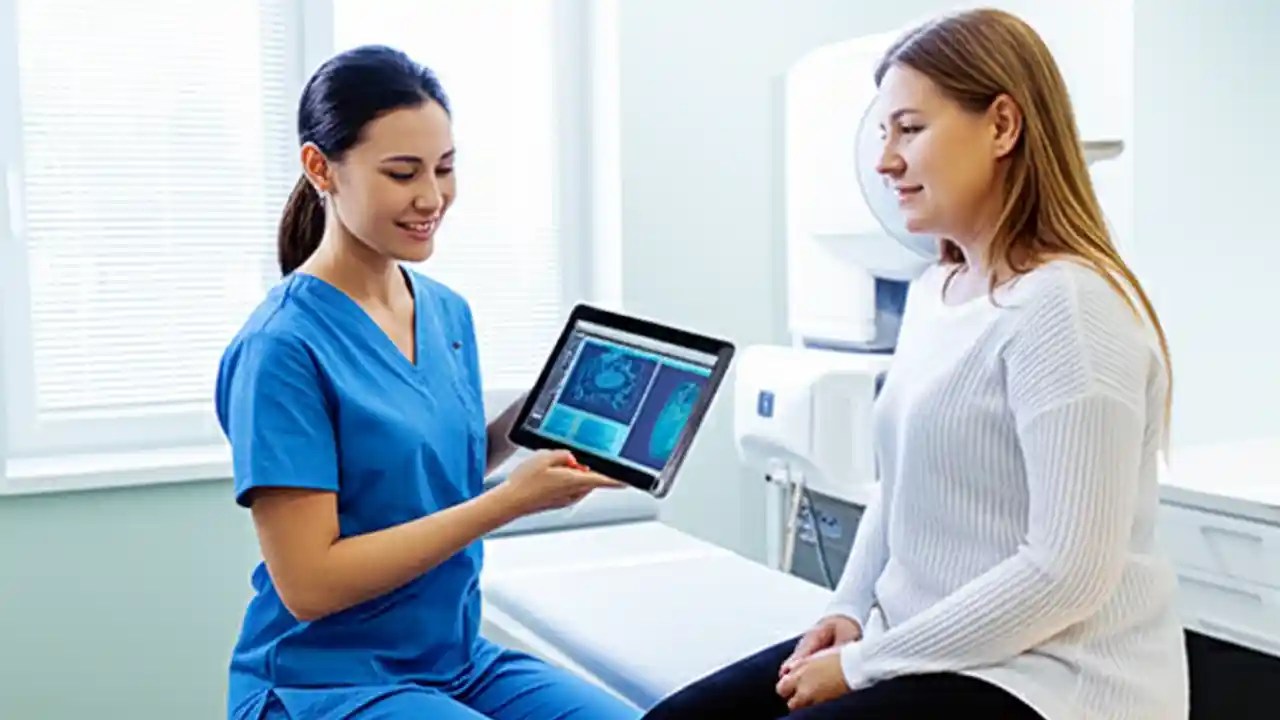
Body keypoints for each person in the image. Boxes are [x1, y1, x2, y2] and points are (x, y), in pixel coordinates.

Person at [643, 8, 1188, 720]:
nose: (884, 160)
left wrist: (864, 666)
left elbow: (1069, 574)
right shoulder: (939, 290)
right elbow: (899, 495)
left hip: (1050, 680)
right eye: (882, 133)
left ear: (1002, 125)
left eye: (910, 129)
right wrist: (849, 610)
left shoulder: (1068, 308)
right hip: (933, 648)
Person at [214, 44, 640, 720]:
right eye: (402, 173)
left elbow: (434, 459)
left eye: (445, 168)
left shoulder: (445, 311)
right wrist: (508, 504)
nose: (432, 197)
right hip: (322, 682)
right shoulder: (281, 349)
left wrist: (544, 410)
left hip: (454, 662)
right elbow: (310, 585)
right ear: (319, 168)